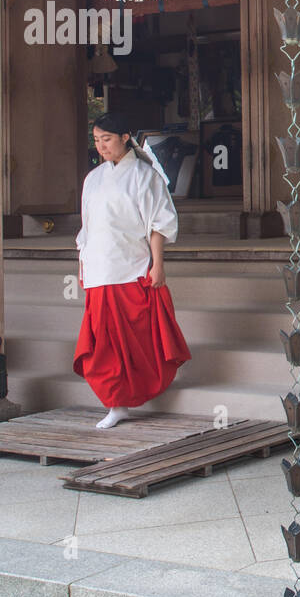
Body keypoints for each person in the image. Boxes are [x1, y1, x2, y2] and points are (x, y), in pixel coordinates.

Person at [74, 113, 191, 429]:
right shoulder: (93, 179)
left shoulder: (145, 176)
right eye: (97, 141)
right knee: (103, 344)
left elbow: (158, 224)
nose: (101, 146)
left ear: (125, 137)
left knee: (136, 339)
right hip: (99, 269)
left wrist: (158, 265)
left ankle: (131, 393)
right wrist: (82, 267)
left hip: (131, 266)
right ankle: (116, 402)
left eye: (107, 139)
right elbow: (87, 228)